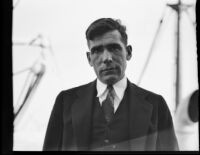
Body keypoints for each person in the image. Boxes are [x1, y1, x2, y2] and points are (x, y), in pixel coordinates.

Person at [43, 18, 179, 151]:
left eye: (114, 48)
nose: (107, 58)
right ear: (89, 59)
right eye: (97, 51)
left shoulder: (156, 105)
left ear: (129, 52)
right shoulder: (65, 102)